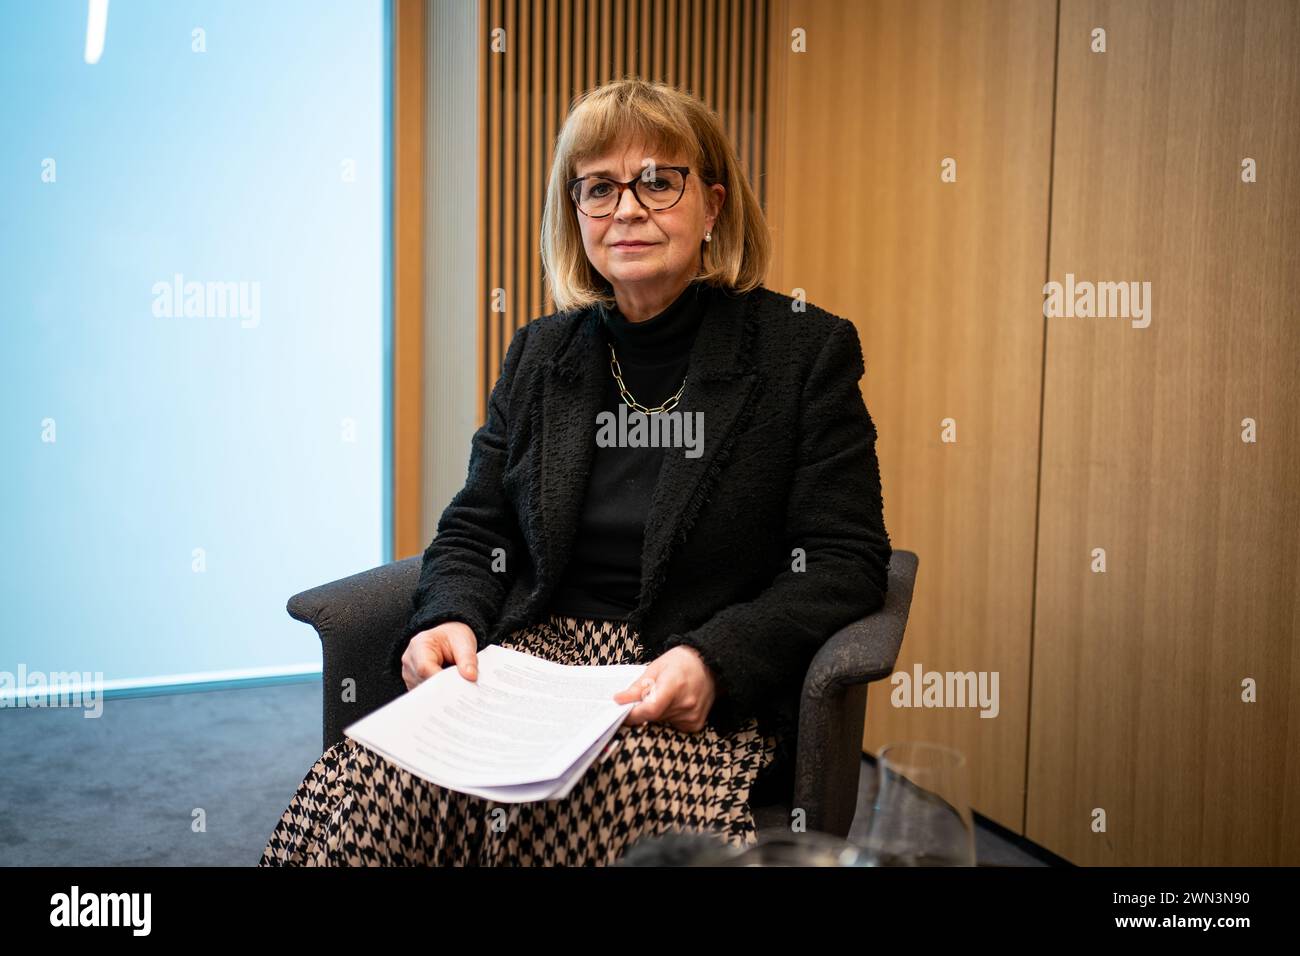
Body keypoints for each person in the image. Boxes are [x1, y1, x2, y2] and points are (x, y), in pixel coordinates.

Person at [259, 77, 891, 866]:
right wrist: (445, 617)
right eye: (599, 188)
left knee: (586, 798)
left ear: (714, 205)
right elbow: (476, 522)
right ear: (577, 212)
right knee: (369, 780)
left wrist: (713, 662)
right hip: (533, 669)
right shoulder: (542, 353)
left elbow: (844, 562)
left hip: (678, 681)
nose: (628, 209)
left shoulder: (802, 352)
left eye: (660, 181)